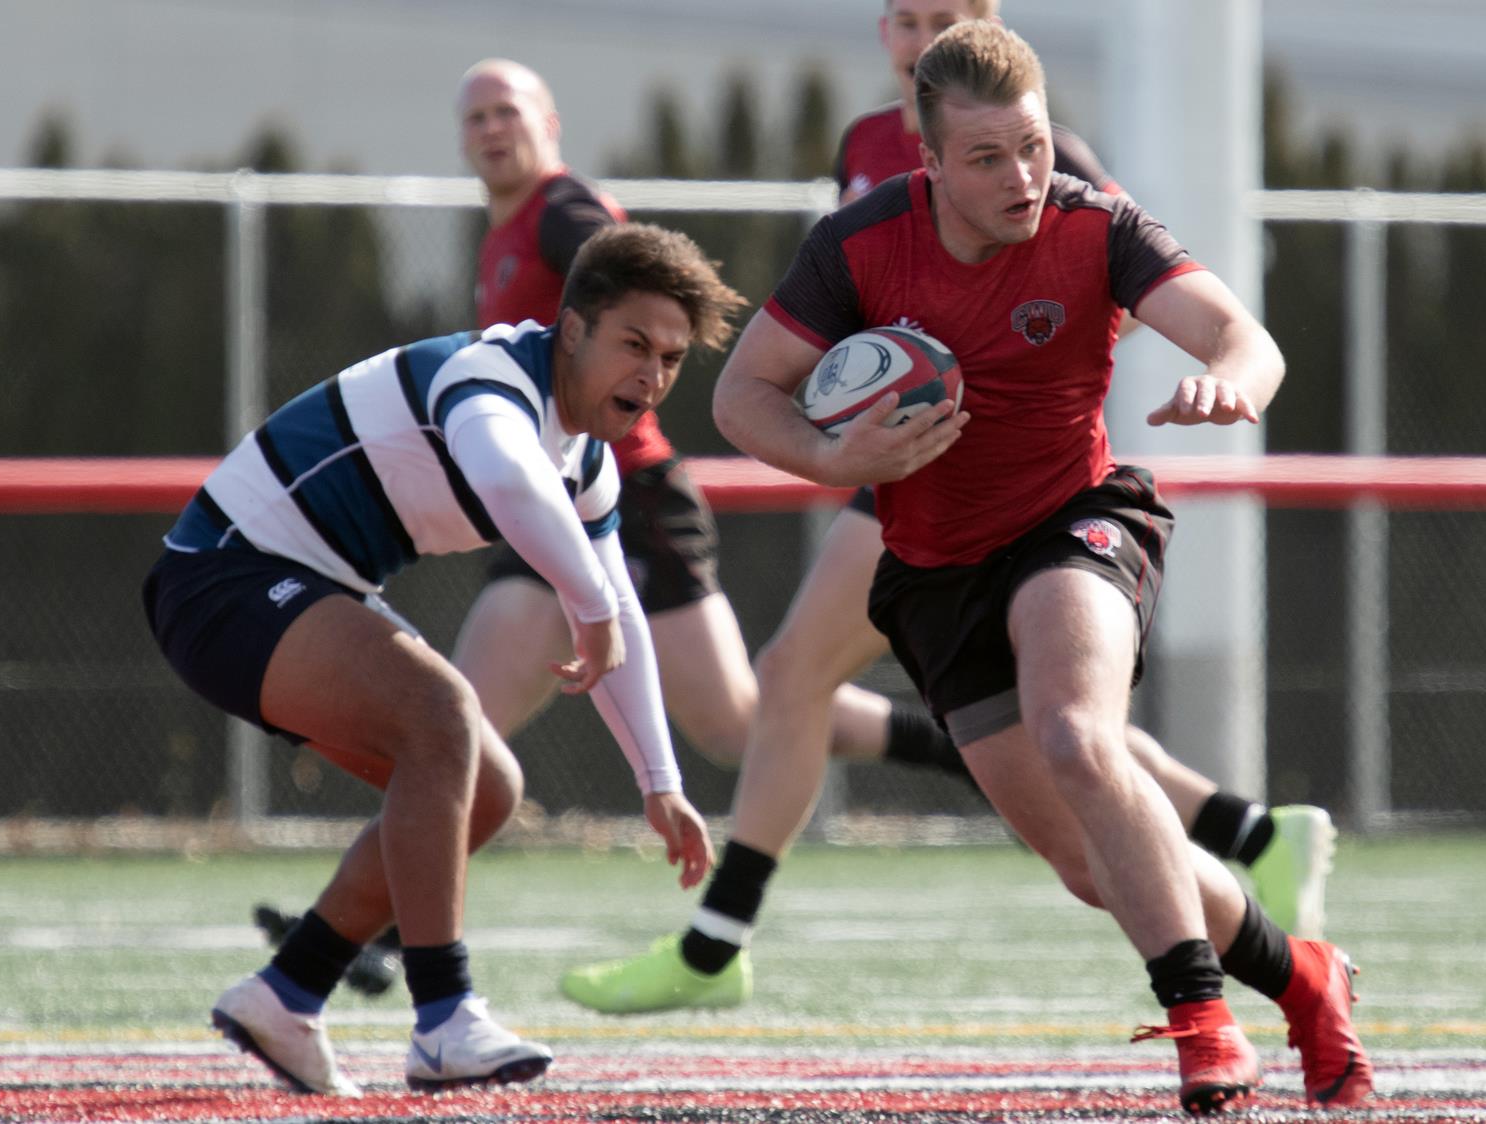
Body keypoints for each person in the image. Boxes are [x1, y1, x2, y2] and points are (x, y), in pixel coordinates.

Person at [580, 24, 1372, 1114]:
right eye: (990, 158)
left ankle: (1199, 1016)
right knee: (1092, 866)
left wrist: (1231, 378)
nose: (1024, 177)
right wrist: (830, 454)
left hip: (1075, 523)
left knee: (1076, 733)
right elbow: (739, 395)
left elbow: (1242, 333)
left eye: (1034, 146)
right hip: (934, 571)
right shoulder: (861, 244)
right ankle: (1304, 977)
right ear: (932, 164)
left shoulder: (1093, 223)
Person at [253, 56, 983, 989]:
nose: (489, 128)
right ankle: (355, 939)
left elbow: (639, 277)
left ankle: (953, 742)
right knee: (452, 723)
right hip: (542, 508)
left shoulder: (562, 212)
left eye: (507, 110)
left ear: (549, 121)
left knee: (740, 719)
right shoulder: (504, 234)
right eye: (473, 115)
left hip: (621, 500)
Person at [144, 223, 741, 1095]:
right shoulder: (489, 378)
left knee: (487, 789)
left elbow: (628, 623)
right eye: (634, 345)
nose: (651, 376)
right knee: (443, 715)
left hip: (303, 586)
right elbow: (506, 481)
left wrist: (660, 779)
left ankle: (289, 992)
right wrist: (589, 604)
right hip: (221, 581)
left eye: (673, 358)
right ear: (571, 329)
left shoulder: (588, 463)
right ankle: (443, 1018)